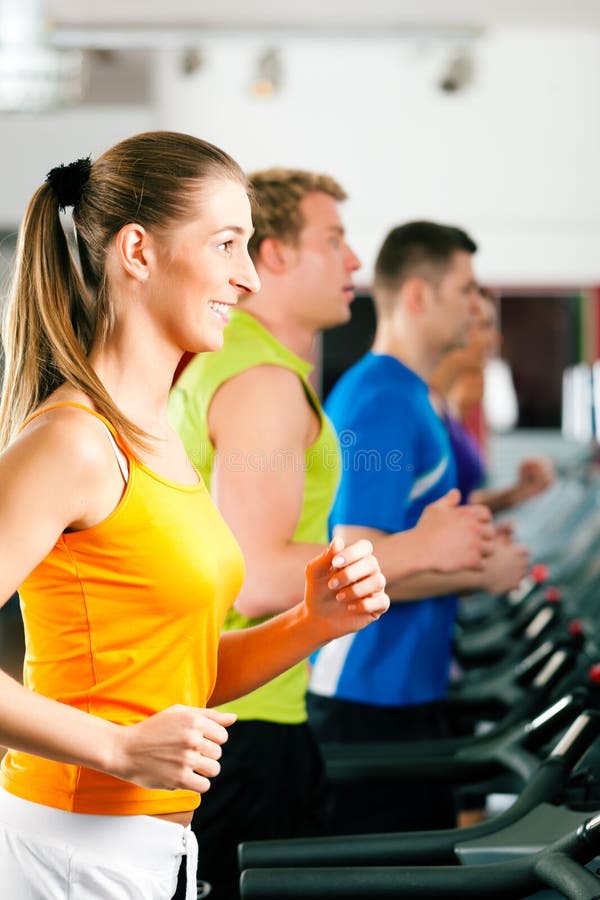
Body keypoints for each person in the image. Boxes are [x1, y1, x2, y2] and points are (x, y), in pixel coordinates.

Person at [0, 132, 391, 900]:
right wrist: (116, 748)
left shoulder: (152, 436)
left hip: (150, 845)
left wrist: (312, 622)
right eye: (225, 243)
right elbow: (125, 730)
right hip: (70, 845)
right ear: (138, 252)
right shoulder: (72, 442)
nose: (248, 276)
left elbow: (181, 670)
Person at [169, 172, 495, 896]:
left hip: (249, 709)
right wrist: (423, 549)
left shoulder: (251, 365)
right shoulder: (260, 382)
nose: (354, 262)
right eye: (334, 241)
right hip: (246, 719)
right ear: (275, 254)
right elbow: (258, 578)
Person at [307, 220, 530, 835]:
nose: (478, 306)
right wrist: (477, 574)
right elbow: (353, 567)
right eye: (466, 289)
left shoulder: (409, 395)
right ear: (417, 295)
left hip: (406, 686)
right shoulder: (382, 400)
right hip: (366, 693)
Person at [431, 287, 555, 512]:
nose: (495, 338)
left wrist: (518, 492)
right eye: (484, 325)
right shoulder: (417, 405)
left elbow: (457, 504)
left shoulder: (444, 407)